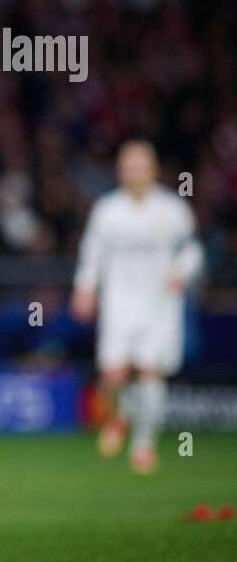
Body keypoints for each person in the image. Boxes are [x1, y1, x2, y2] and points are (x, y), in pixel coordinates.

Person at [71, 140, 203, 473]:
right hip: (118, 304)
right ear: (120, 171)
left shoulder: (172, 210)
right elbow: (92, 254)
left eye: (141, 166)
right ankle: (121, 417)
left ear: (154, 170)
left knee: (149, 371)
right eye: (129, 166)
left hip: (159, 305)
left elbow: (192, 252)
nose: (135, 173)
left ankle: (143, 446)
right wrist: (84, 289)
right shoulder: (107, 210)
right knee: (113, 376)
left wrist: (181, 271)